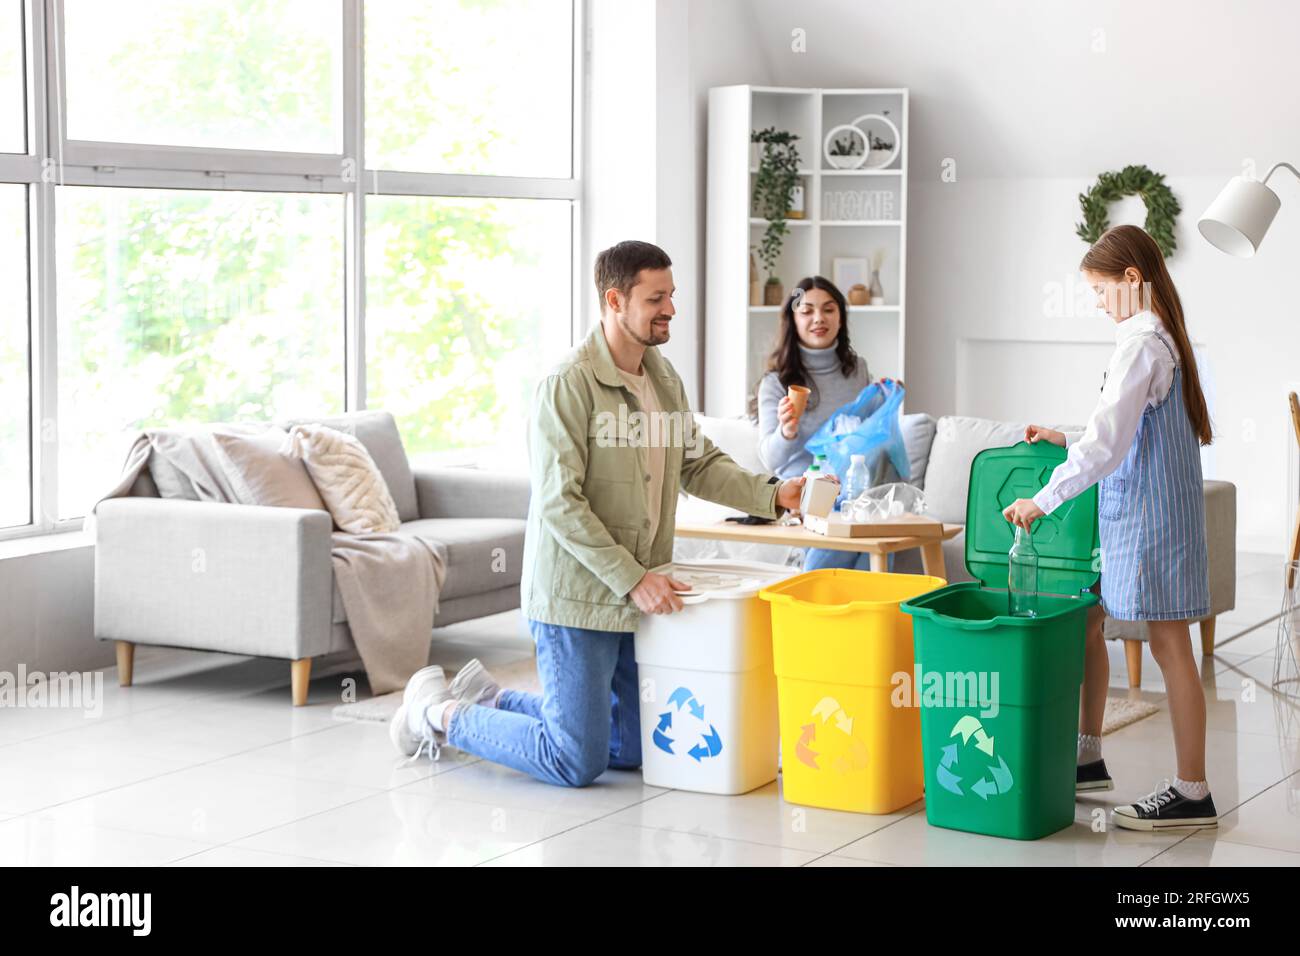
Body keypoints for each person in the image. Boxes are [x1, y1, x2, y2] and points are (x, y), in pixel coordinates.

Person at [388, 240, 805, 786]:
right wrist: (633, 580)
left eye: (671, 295)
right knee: (576, 761)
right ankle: (437, 714)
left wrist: (774, 495)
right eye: (657, 298)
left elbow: (697, 464)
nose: (671, 309)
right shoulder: (569, 384)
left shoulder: (663, 379)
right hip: (576, 597)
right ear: (615, 300)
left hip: (634, 593)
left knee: (634, 747)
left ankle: (492, 698)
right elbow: (560, 504)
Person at [1003, 224, 1216, 831]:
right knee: (1093, 618)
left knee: (1171, 646)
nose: (1095, 303)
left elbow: (1106, 447)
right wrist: (1064, 439)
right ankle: (1087, 755)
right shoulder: (1157, 338)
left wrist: (1042, 500)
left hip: (1150, 524)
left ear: (1130, 279)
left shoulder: (1141, 345)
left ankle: (1192, 791)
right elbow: (1118, 434)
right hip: (1144, 519)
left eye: (1099, 290)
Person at [752, 275, 899, 571]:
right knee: (845, 542)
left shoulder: (857, 370)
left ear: (841, 318)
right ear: (792, 320)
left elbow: (860, 432)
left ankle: (859, 615)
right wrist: (787, 431)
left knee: (882, 542)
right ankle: (816, 608)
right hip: (805, 493)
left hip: (852, 489)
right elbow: (769, 458)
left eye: (829, 309)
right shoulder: (776, 382)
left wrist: (883, 399)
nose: (818, 318)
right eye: (806, 311)